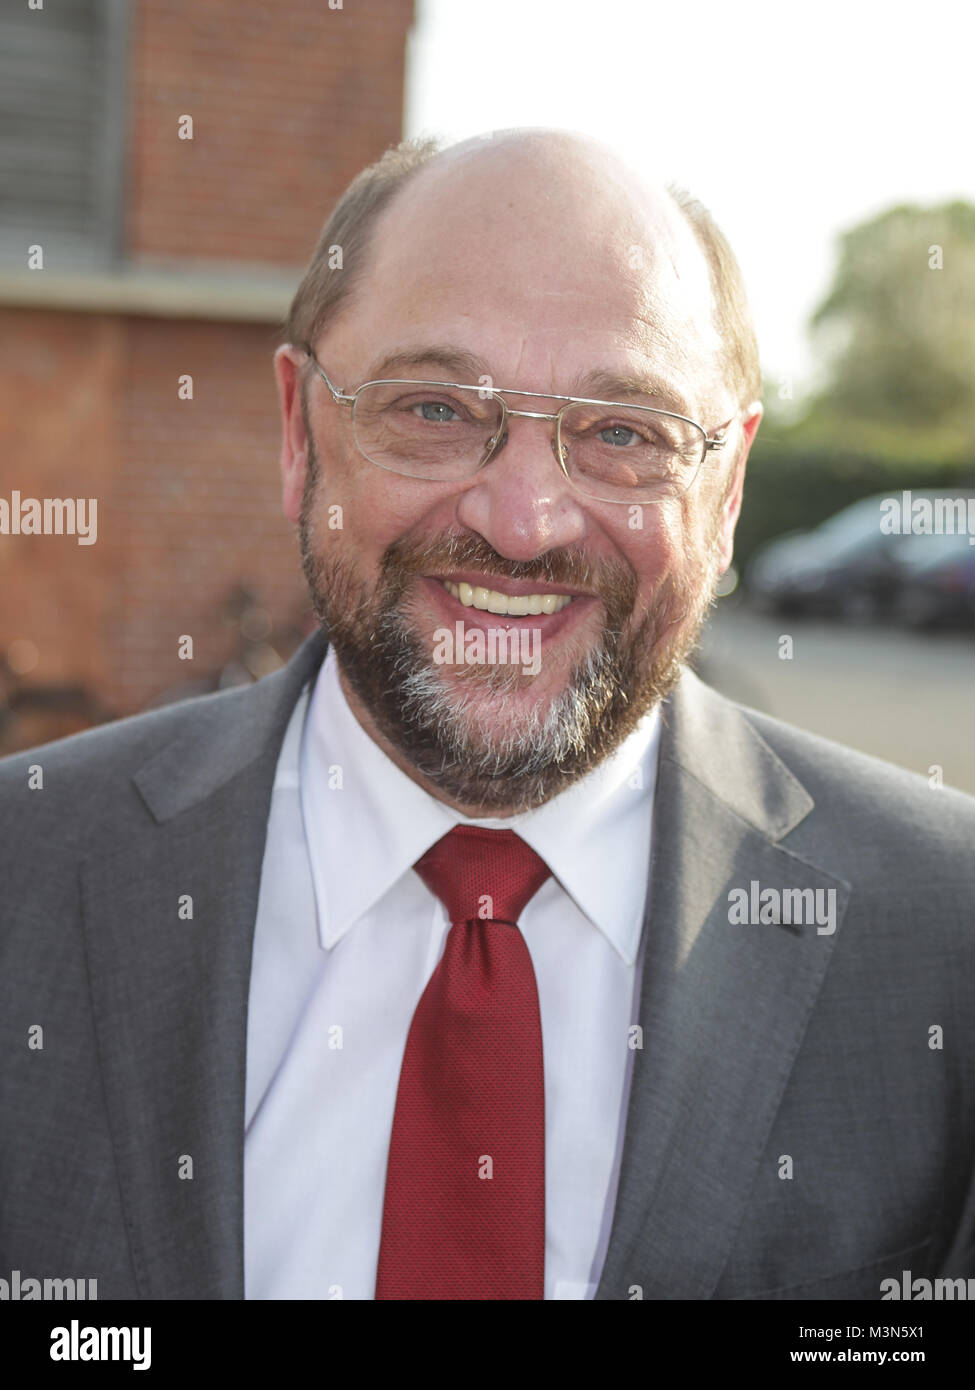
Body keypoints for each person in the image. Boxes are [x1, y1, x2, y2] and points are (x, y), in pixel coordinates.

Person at [1, 129, 973, 1302]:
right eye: (434, 408)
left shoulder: (944, 943)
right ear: (299, 432)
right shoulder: (29, 874)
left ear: (728, 487)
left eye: (625, 433)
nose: (523, 521)